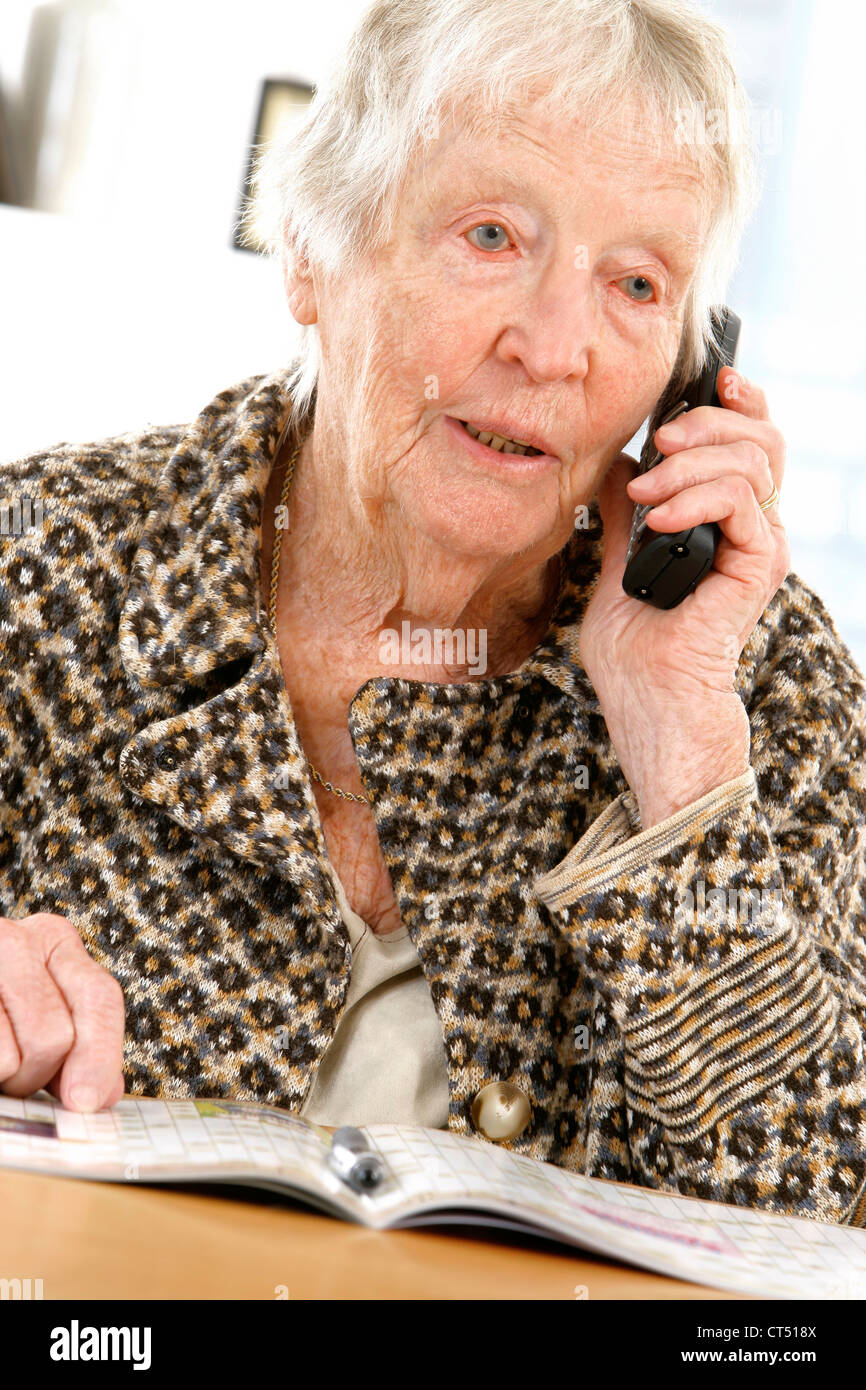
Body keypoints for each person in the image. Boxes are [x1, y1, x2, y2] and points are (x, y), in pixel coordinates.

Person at [1, 0, 864, 1225]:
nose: (557, 347)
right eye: (492, 234)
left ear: (686, 367)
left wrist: (677, 759)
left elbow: (807, 1230)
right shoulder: (48, 566)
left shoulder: (756, 683)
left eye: (634, 281)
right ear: (311, 250)